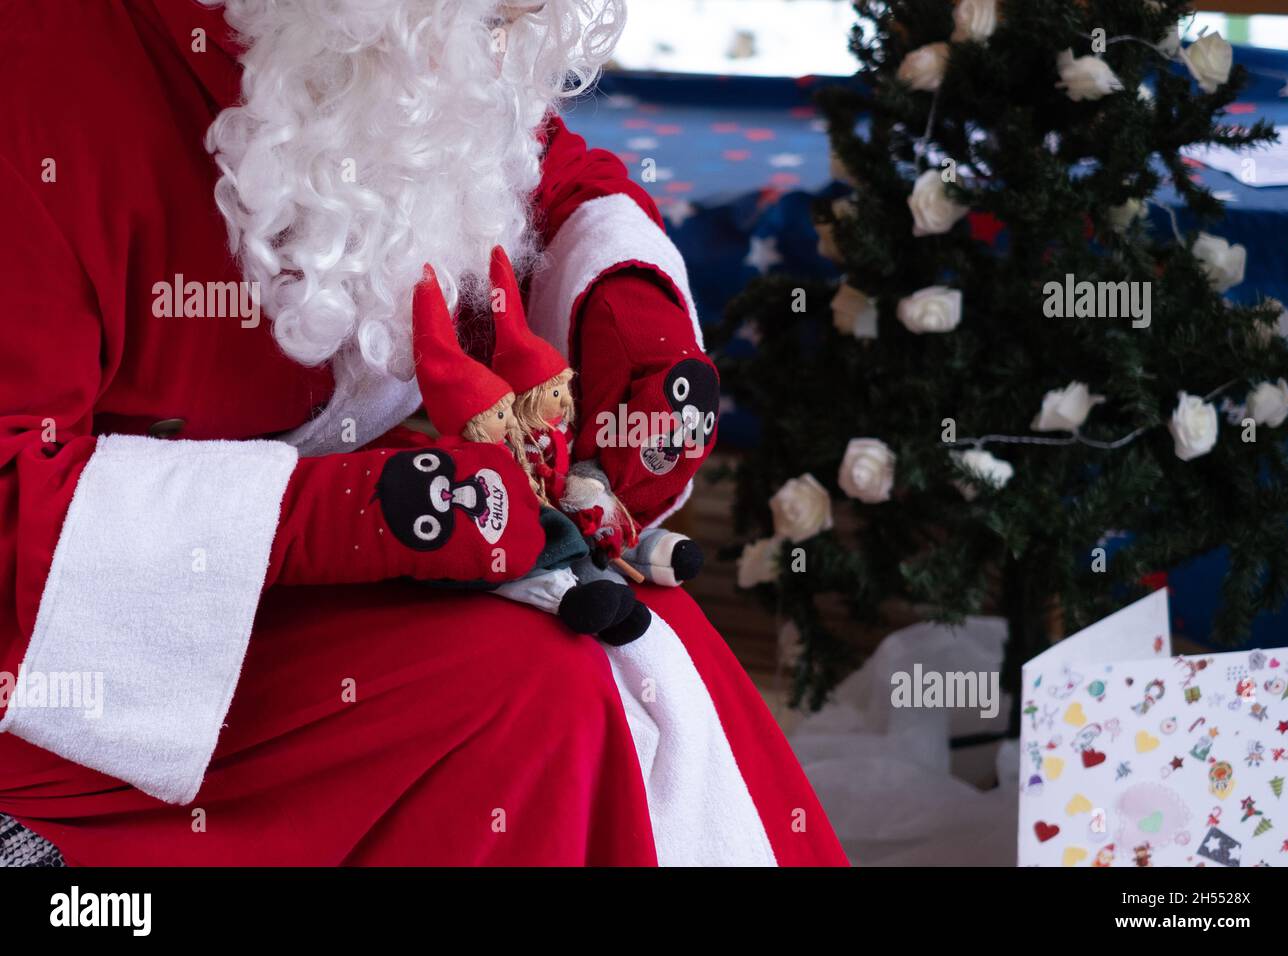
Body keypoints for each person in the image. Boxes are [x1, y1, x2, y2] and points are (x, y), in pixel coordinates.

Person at [0, 0, 846, 866]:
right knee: (533, 694)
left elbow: (529, 166)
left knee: (647, 638)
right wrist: (359, 518)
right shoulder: (41, 71)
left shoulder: (400, 27)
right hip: (85, 653)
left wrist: (626, 308)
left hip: (276, 569)